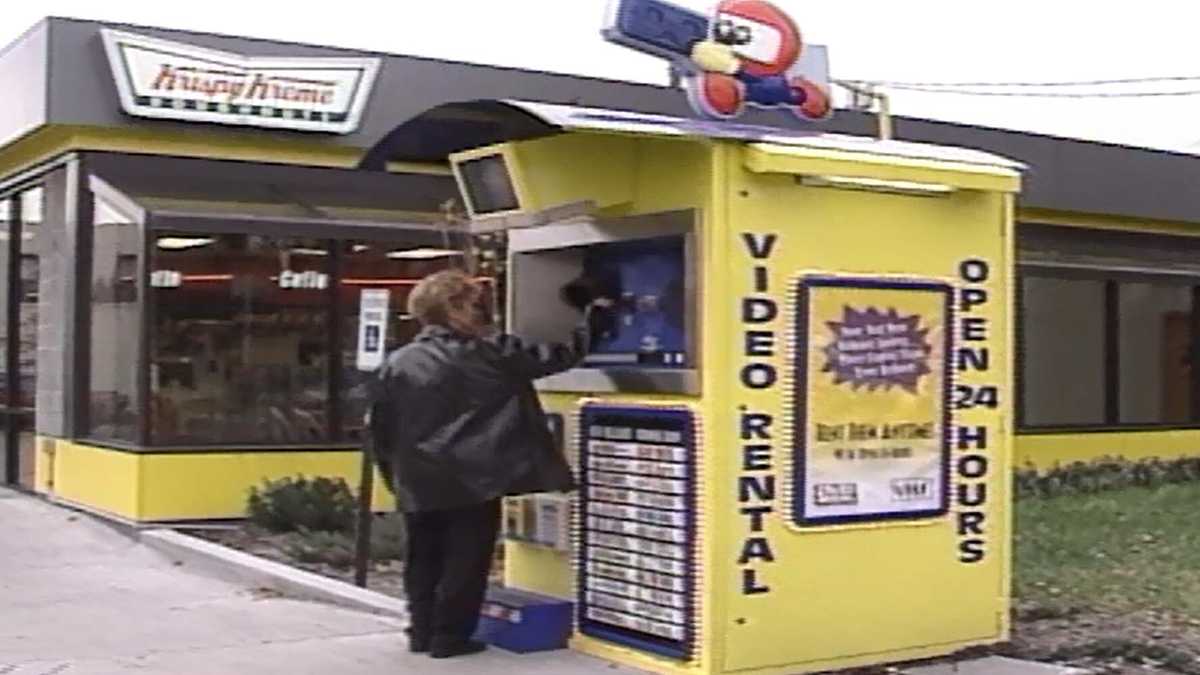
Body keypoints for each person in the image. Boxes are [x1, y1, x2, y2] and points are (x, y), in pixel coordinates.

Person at [368, 269, 607, 659]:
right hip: (474, 477)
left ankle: (421, 631)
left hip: (417, 477)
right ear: (456, 308)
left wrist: (396, 478)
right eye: (473, 304)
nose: (479, 311)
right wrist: (594, 312)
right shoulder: (490, 352)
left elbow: (381, 428)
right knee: (466, 559)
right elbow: (563, 354)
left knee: (423, 557)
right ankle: (451, 638)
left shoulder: (398, 361)